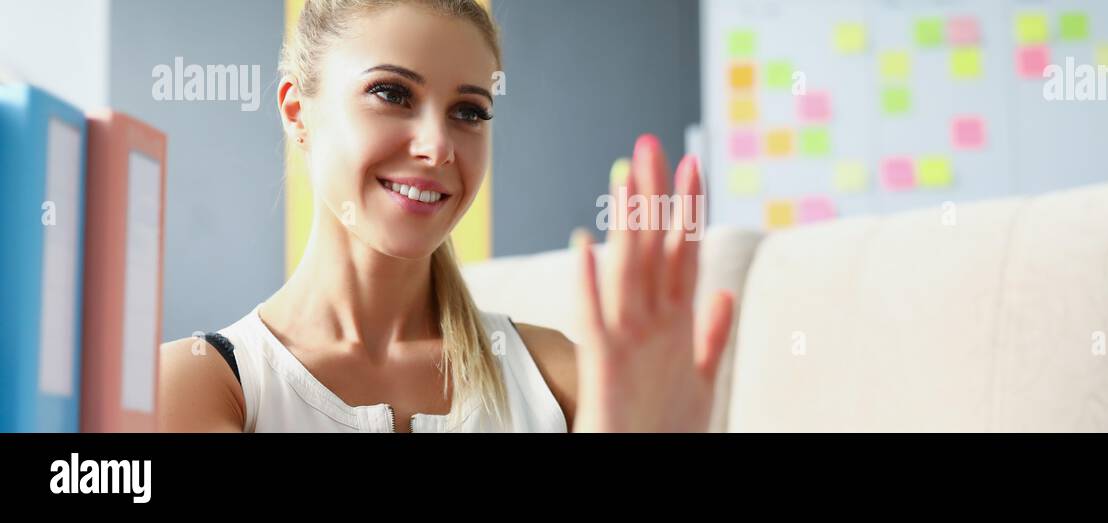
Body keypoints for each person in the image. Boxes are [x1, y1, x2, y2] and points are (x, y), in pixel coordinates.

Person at [157, 0, 733, 433]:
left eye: (468, 111)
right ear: (297, 111)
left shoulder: (561, 378)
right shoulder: (200, 382)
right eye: (392, 93)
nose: (438, 146)